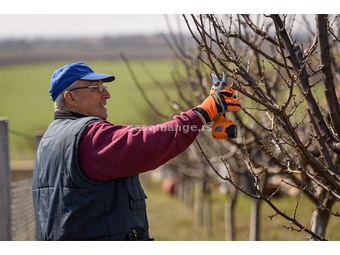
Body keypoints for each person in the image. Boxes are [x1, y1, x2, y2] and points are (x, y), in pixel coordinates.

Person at [32, 62, 240, 241]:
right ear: (71, 98)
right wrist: (203, 112)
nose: (107, 94)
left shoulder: (50, 139)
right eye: (96, 88)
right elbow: (147, 144)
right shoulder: (89, 136)